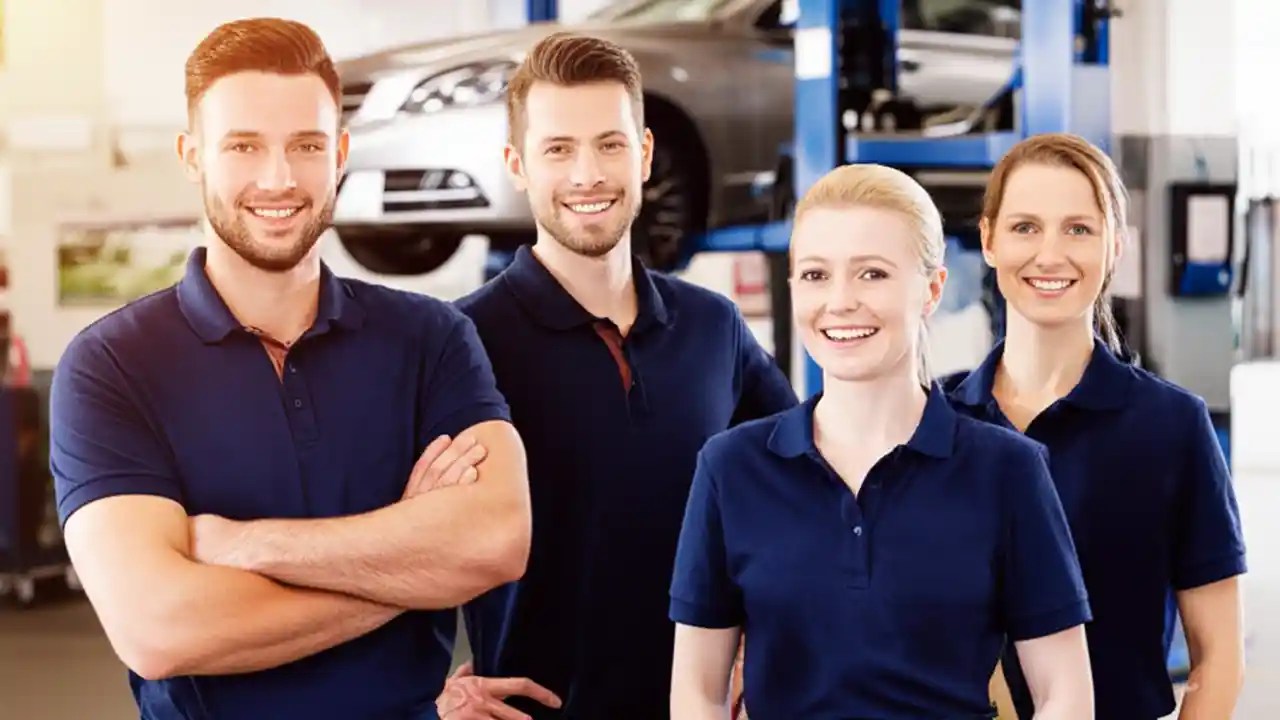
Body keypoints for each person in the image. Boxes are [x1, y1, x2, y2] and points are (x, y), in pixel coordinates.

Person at [49, 18, 532, 719]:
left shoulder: (431, 339)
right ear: (193, 156)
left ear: (339, 152)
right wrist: (409, 556)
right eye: (243, 145)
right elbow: (157, 629)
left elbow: (496, 542)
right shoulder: (110, 366)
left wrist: (245, 546)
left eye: (305, 146)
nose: (278, 179)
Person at [436, 31, 799, 720]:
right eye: (558, 150)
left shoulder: (713, 329)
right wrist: (428, 690)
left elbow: (803, 492)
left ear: (645, 153)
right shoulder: (459, 343)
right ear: (517, 164)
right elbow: (377, 535)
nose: (587, 175)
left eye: (609, 144)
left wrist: (766, 630)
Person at [667, 163, 1097, 719]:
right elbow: (698, 694)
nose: (841, 302)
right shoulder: (731, 469)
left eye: (872, 274)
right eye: (817, 276)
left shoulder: (1007, 471)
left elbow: (1065, 694)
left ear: (932, 288)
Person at [944, 132, 1248, 720]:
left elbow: (1219, 661)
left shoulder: (1170, 426)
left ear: (1117, 246)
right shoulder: (936, 420)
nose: (1050, 254)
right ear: (988, 240)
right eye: (1025, 227)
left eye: (1078, 229)